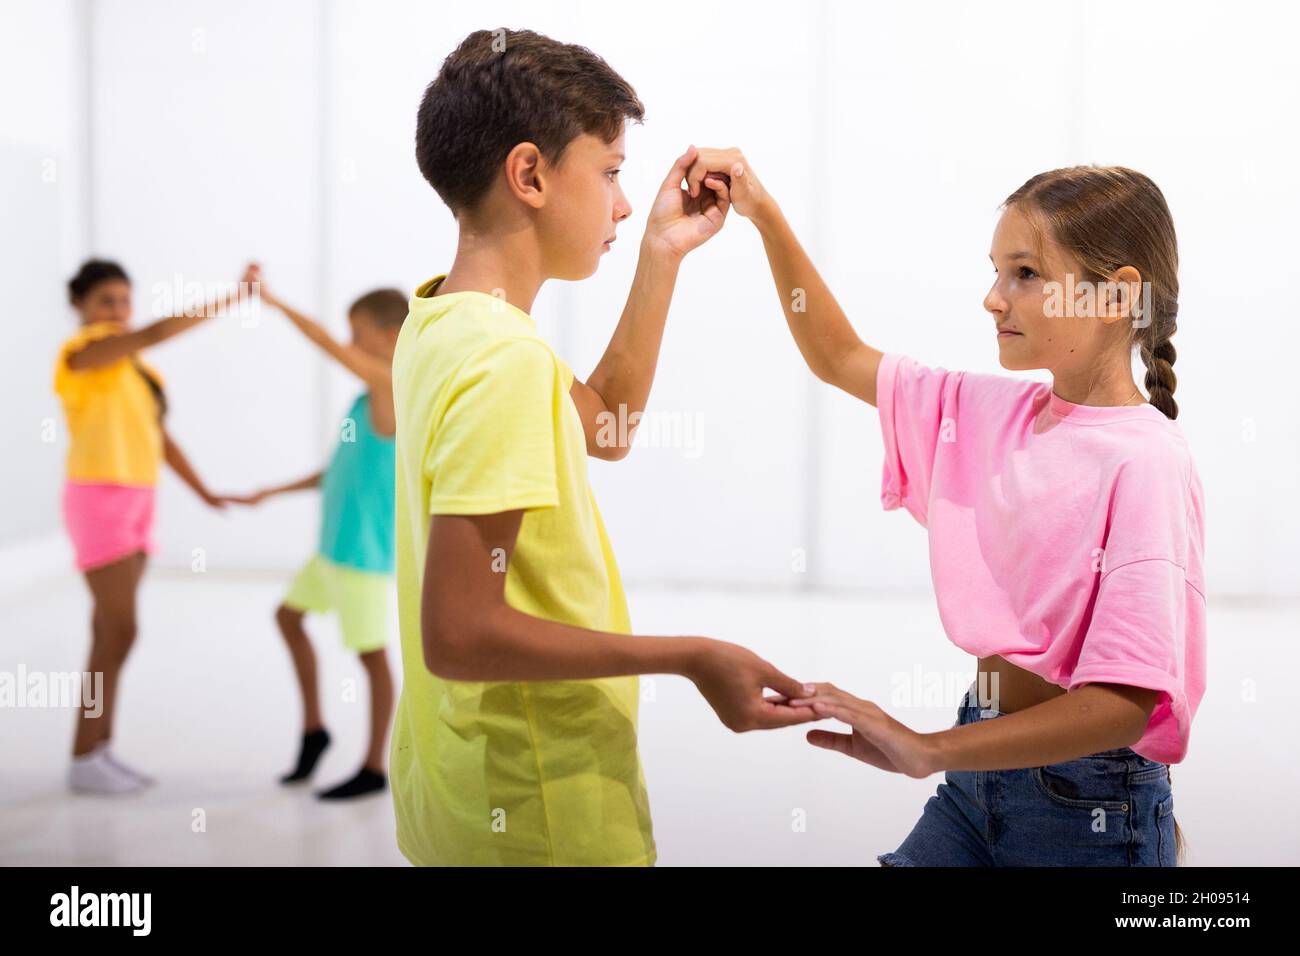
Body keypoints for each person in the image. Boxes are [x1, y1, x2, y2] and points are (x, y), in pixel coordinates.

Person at [687, 149, 1203, 866]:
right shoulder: (990, 412)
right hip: (974, 782)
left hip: (1090, 810)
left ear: (1115, 297)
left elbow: (1124, 706)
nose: (994, 297)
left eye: (1025, 273)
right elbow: (838, 356)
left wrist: (930, 749)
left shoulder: (1146, 460)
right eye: (995, 271)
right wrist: (762, 212)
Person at [389, 29, 819, 866]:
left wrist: (661, 252)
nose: (623, 203)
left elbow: (608, 429)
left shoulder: (441, 321)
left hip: (459, 791)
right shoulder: (503, 359)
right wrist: (692, 657)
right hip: (541, 809)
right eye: (613, 172)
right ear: (530, 174)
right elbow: (461, 631)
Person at [56, 258, 252, 794]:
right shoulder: (83, 356)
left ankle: (97, 751)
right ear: (80, 306)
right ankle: (83, 755)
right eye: (105, 302)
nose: (117, 312)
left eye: (123, 301)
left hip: (139, 503)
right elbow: (159, 330)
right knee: (119, 629)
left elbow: (161, 439)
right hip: (99, 500)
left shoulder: (139, 369)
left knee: (110, 632)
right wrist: (232, 298)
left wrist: (205, 491)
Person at [230, 271, 404, 800]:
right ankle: (315, 730)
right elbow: (338, 470)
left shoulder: (391, 387)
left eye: (358, 333)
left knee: (371, 659)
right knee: (288, 618)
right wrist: (271, 492)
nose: (349, 343)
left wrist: (274, 300)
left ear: (390, 335)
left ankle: (375, 767)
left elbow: (326, 345)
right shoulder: (363, 399)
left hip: (363, 558)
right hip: (331, 552)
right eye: (348, 334)